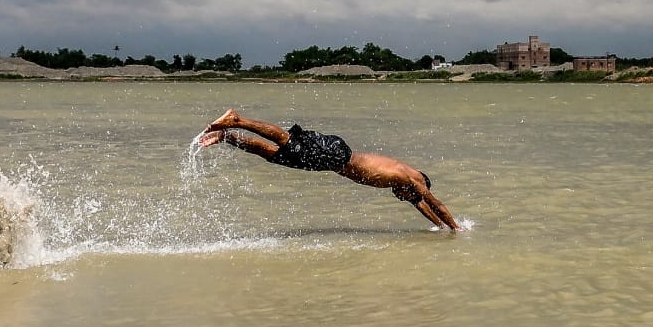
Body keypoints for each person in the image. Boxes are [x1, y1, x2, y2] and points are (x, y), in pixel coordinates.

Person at [197, 109, 461, 230]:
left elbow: (423, 206)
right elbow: (432, 202)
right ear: (419, 184)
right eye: (409, 195)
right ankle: (237, 120)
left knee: (276, 157)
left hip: (330, 163)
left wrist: (441, 228)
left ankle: (228, 138)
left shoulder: (401, 183)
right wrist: (456, 228)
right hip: (336, 154)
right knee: (288, 142)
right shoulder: (412, 177)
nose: (406, 199)